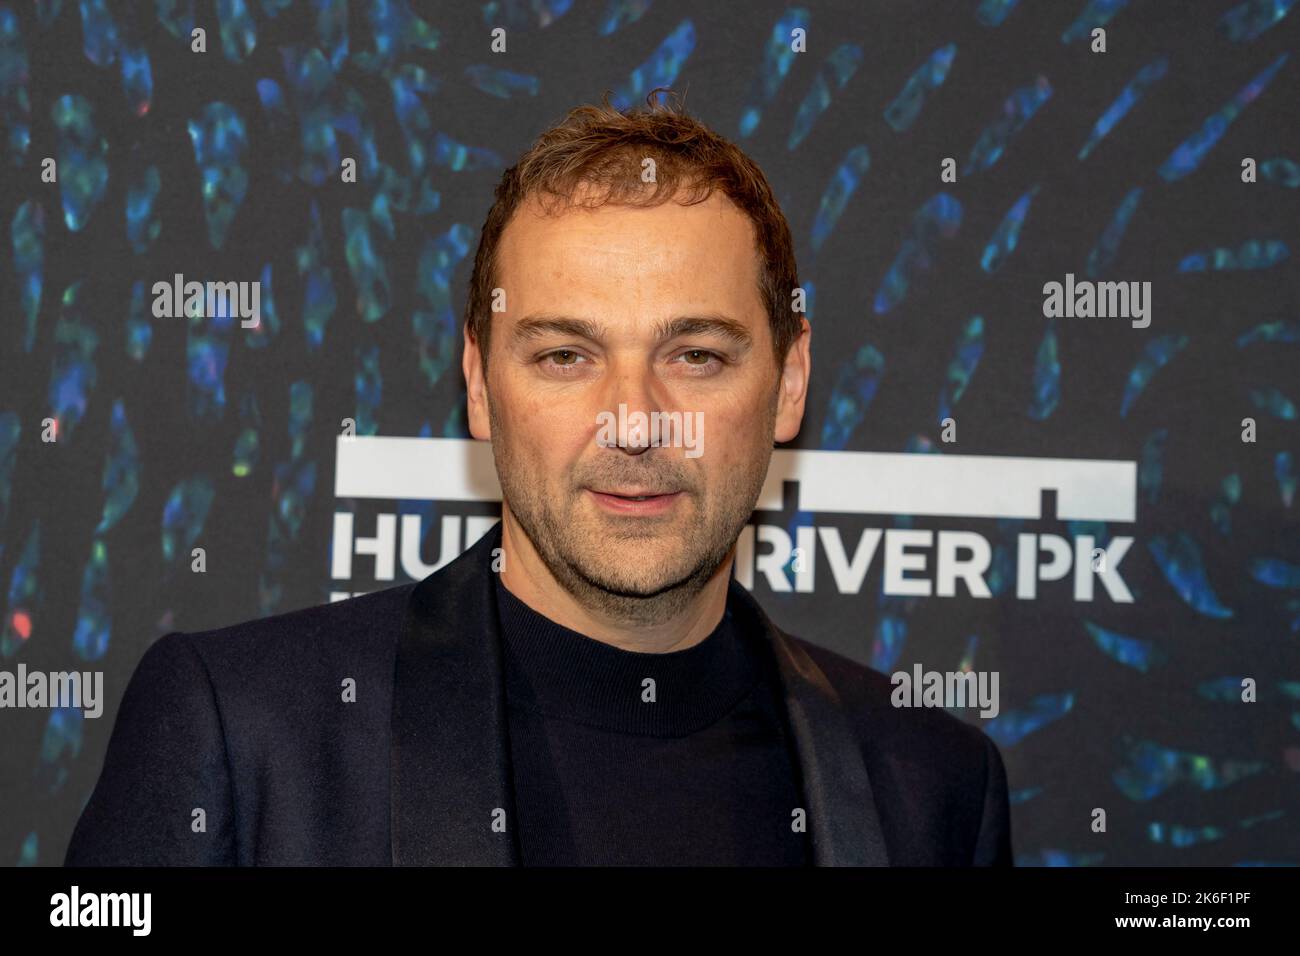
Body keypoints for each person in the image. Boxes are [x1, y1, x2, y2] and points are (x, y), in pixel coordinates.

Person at [65, 89, 1011, 867]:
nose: (635, 421)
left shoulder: (931, 784)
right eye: (565, 356)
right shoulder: (242, 736)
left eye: (697, 355)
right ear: (480, 385)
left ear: (789, 383)